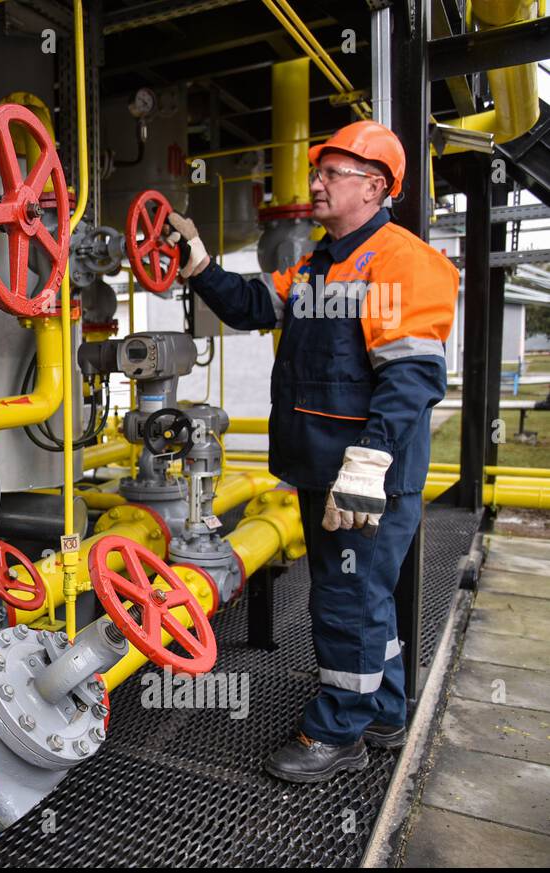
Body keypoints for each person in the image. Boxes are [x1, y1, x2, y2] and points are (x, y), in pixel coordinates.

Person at [167, 120, 460, 783]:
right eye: (320, 169)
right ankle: (382, 711)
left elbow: (411, 378)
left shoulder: (400, 262)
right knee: (363, 598)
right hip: (321, 470)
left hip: (362, 476)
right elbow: (252, 307)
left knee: (344, 602)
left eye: (333, 173)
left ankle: (338, 732)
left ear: (376, 186)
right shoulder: (323, 262)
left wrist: (367, 466)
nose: (316, 182)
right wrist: (204, 265)